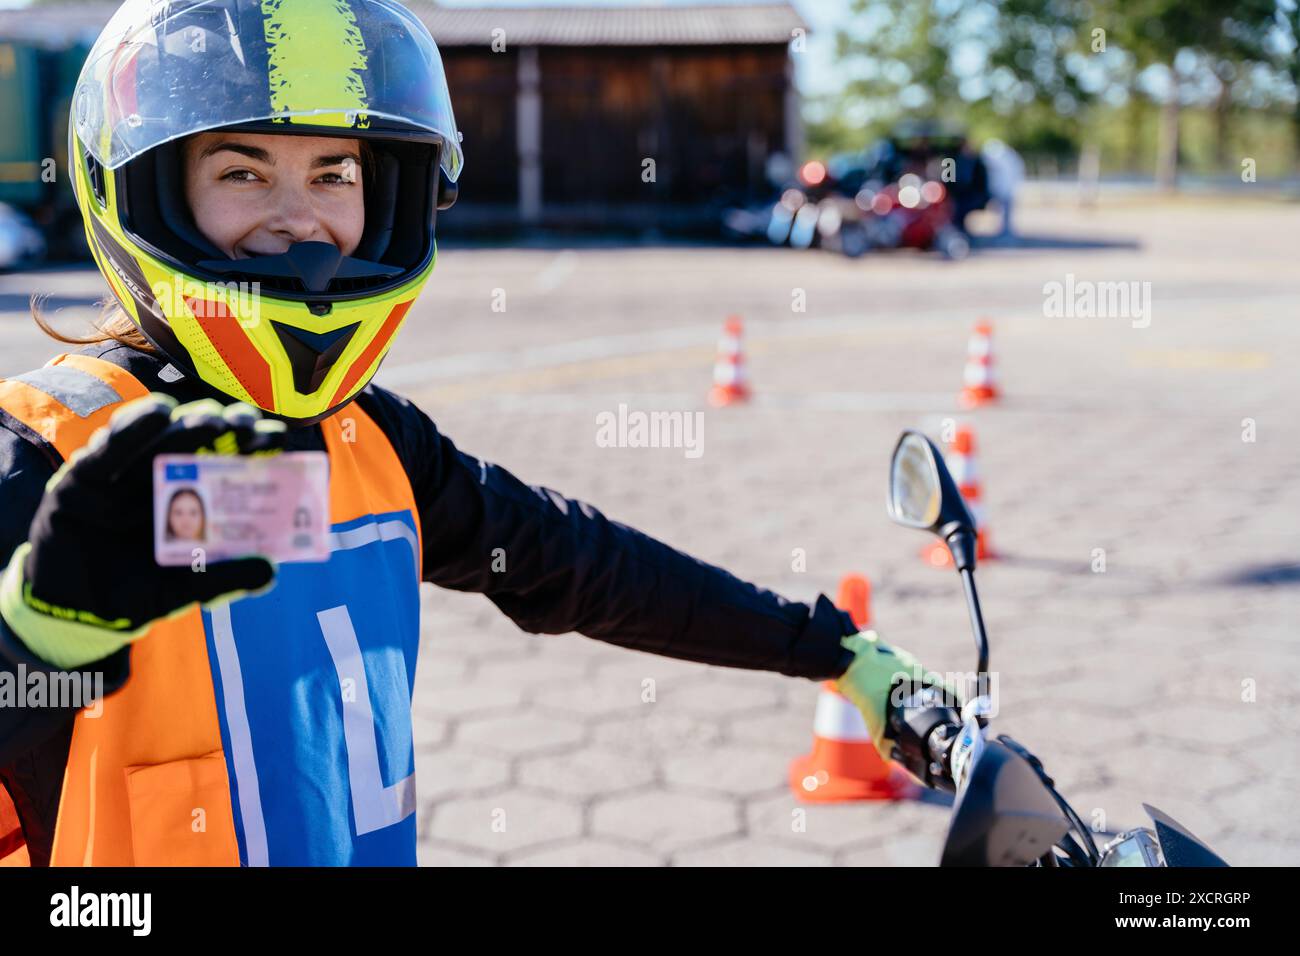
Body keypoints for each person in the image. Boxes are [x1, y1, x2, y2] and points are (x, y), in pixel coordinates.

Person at [0, 0, 949, 867]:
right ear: (142, 190)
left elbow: (575, 564)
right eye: (242, 171)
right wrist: (33, 641)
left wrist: (828, 648)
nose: (299, 222)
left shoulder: (367, 446)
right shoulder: (47, 458)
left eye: (335, 172)